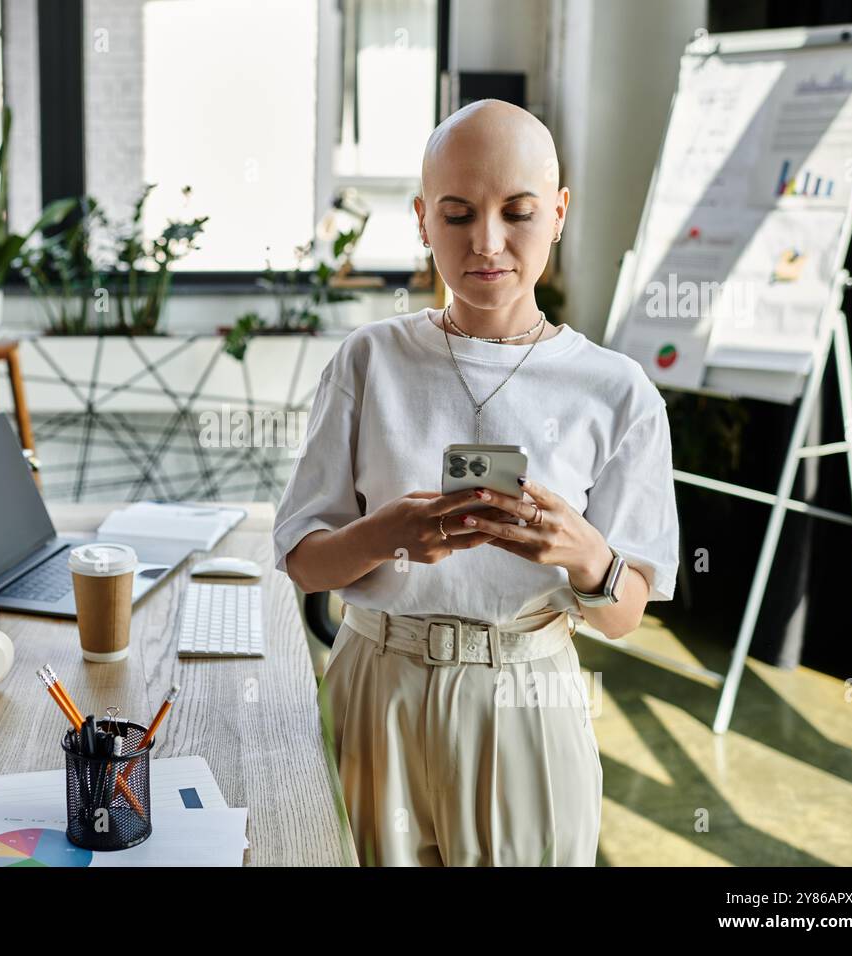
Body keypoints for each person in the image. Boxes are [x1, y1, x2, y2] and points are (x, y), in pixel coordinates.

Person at [272, 99, 679, 866]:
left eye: (518, 213)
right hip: (375, 686)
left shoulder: (617, 392)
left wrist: (587, 557)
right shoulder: (368, 362)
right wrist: (384, 535)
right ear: (422, 221)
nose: (486, 242)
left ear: (558, 214)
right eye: (457, 215)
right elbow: (303, 560)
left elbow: (624, 617)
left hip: (529, 692)